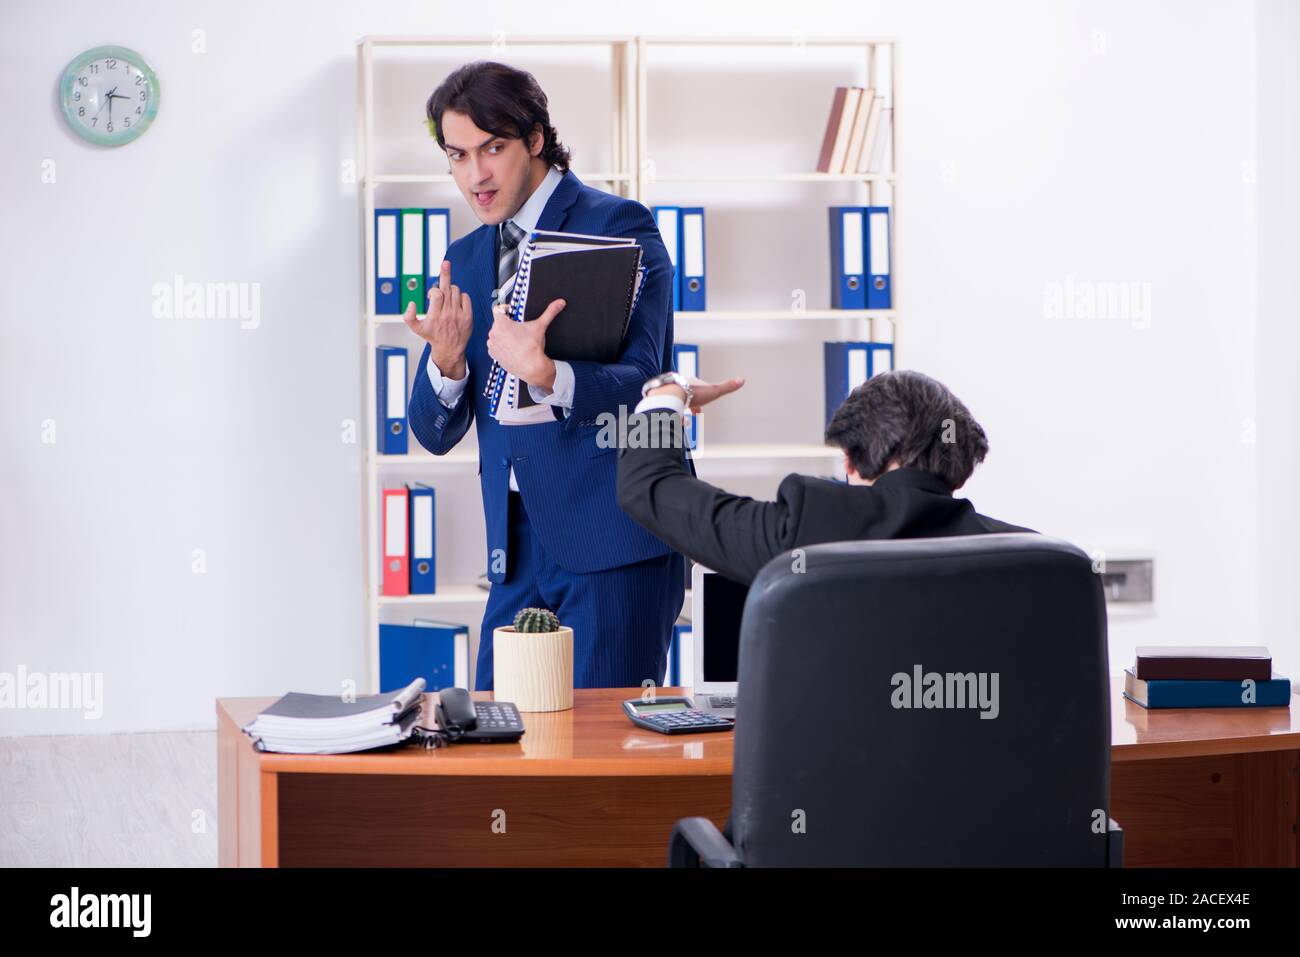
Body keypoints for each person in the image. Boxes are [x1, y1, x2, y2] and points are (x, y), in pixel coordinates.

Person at [405, 61, 684, 690]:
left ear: (535, 138)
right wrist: (446, 362)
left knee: (601, 764)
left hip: (612, 542)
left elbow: (644, 382)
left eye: (492, 149)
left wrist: (550, 372)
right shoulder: (466, 256)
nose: (474, 175)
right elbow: (433, 432)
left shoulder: (617, 224)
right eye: (457, 156)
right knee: (493, 742)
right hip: (515, 550)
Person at [616, 368, 1032, 585]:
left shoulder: (811, 528)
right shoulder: (1032, 557)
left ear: (852, 460)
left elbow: (648, 485)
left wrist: (668, 393)